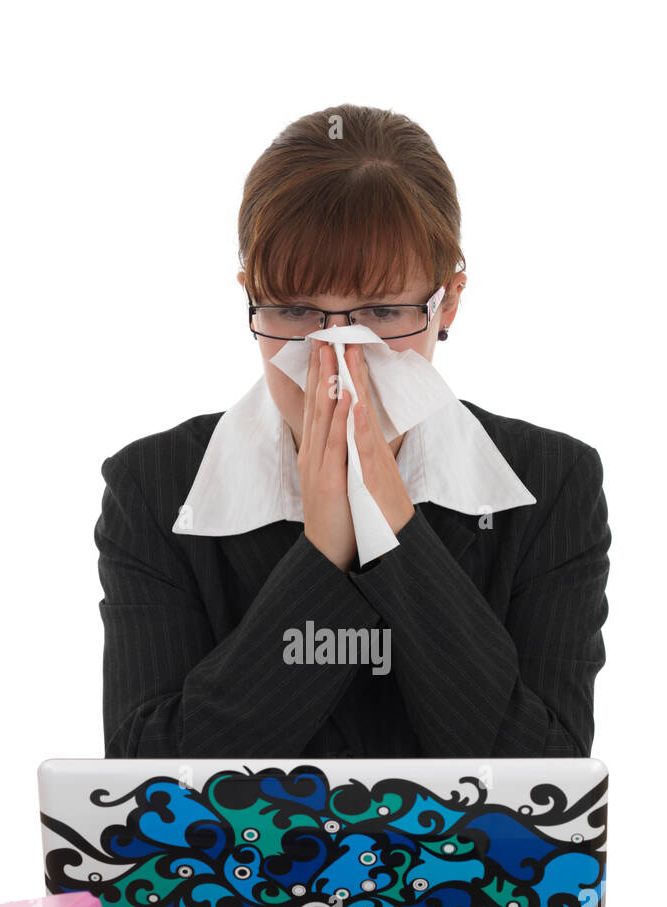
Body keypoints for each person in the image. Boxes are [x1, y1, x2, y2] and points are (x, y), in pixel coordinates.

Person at [95, 103, 610, 759]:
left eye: (382, 312)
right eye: (295, 310)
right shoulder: (154, 487)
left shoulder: (549, 484)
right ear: (249, 298)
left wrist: (389, 523)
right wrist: (322, 551)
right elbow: (150, 787)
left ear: (445, 303)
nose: (335, 353)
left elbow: (547, 785)